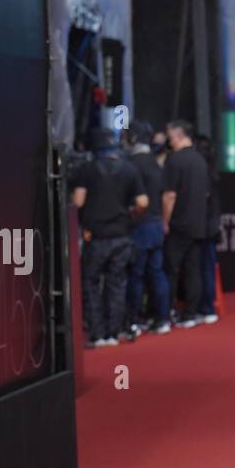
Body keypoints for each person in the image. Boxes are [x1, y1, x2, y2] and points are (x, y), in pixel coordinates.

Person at [72, 127, 148, 347]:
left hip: (95, 236)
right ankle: (114, 332)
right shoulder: (130, 169)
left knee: (91, 284)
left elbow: (78, 202)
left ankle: (97, 333)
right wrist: (130, 216)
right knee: (117, 284)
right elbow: (143, 202)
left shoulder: (86, 169)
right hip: (122, 234)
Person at [161, 119, 210, 328]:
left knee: (171, 270)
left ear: (180, 135)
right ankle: (191, 312)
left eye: (170, 137)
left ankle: (168, 311)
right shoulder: (200, 160)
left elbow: (169, 196)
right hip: (198, 223)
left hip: (178, 224)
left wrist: (165, 221)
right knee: (193, 270)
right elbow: (206, 193)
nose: (168, 141)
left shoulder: (174, 161)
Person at [125, 121, 172, 336]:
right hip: (155, 224)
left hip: (139, 225)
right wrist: (164, 220)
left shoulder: (131, 164)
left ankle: (132, 321)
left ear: (132, 138)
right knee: (157, 272)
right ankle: (162, 318)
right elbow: (164, 196)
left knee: (136, 275)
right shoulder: (155, 163)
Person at [194, 132, 222, 324]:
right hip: (211, 225)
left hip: (203, 226)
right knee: (208, 267)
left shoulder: (203, 173)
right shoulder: (212, 170)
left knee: (203, 268)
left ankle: (205, 307)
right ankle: (207, 306)